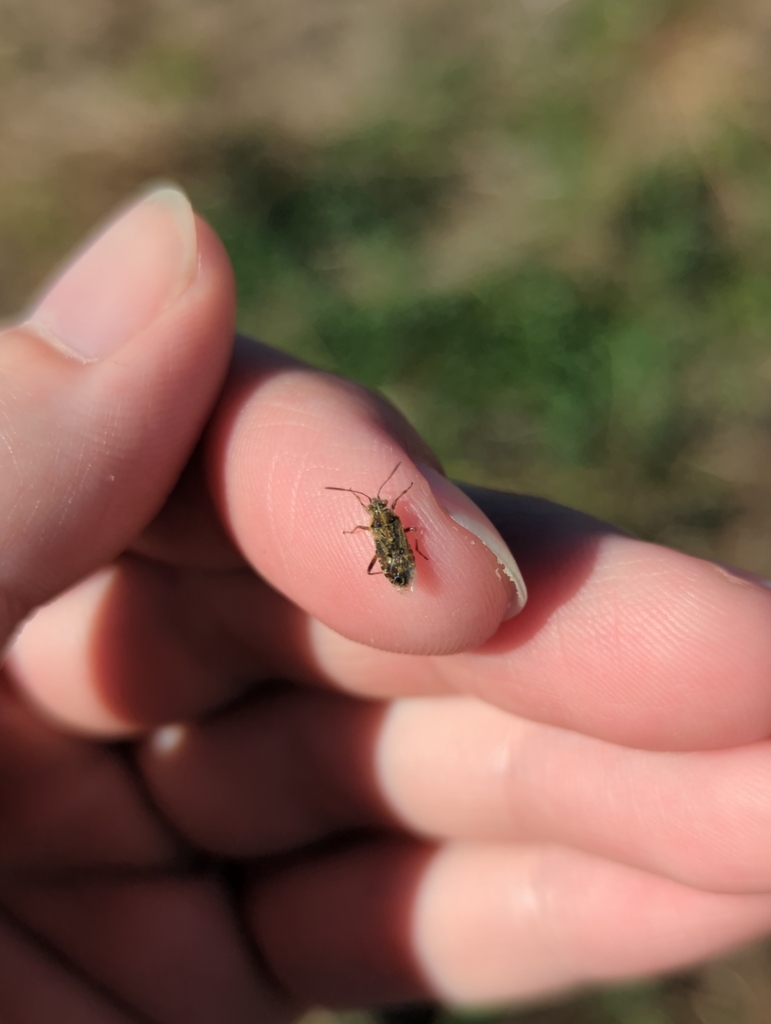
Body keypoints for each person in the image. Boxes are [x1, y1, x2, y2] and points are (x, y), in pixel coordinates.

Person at [1, 185, 771, 1022]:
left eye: (382, 517)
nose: (382, 520)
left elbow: (390, 532)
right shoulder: (386, 530)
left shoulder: (389, 529)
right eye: (381, 519)